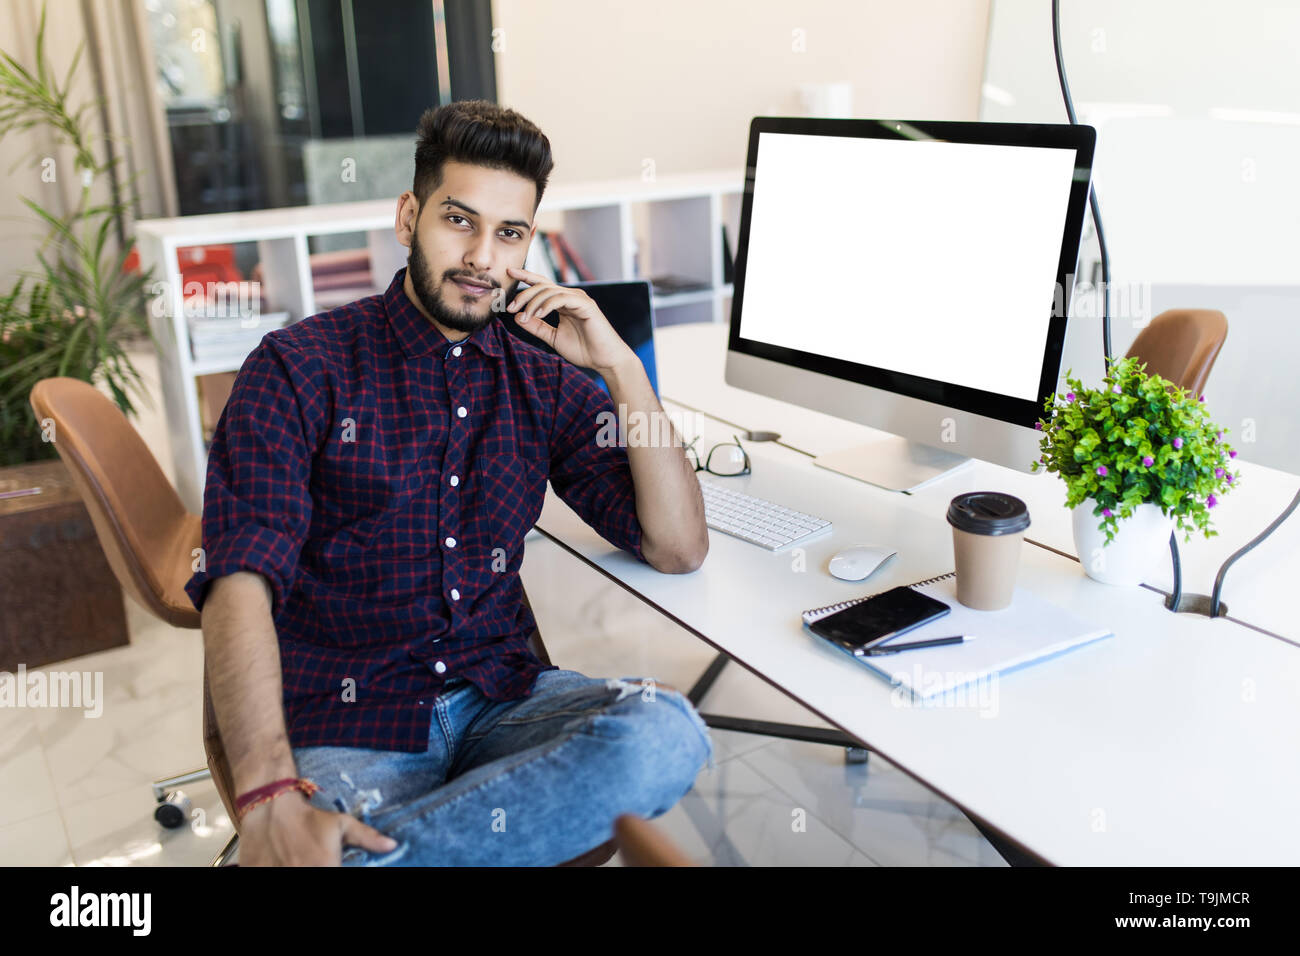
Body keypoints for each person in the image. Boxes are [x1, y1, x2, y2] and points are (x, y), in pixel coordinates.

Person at [186, 100, 713, 866]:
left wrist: (621, 366)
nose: (482, 257)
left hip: (502, 704)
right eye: (458, 221)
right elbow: (239, 580)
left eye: (509, 233)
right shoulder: (299, 366)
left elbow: (676, 544)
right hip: (350, 720)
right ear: (409, 218)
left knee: (665, 733)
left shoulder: (544, 379)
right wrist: (267, 796)